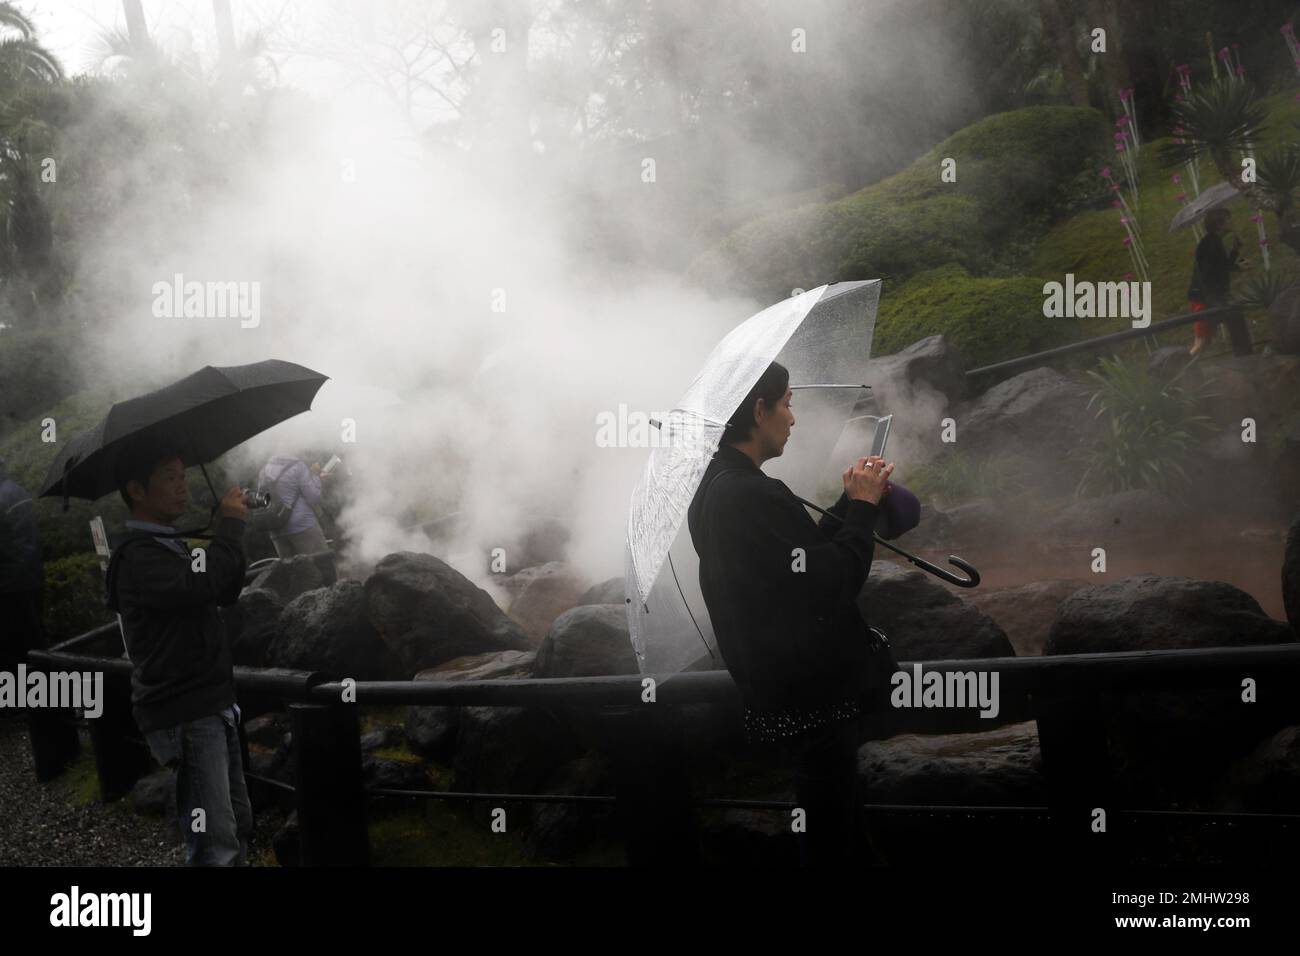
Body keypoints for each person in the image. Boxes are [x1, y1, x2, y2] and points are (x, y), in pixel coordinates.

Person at [686, 361, 918, 867]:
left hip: (783, 697)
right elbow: (832, 582)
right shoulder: (749, 494)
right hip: (812, 700)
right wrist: (859, 511)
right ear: (759, 409)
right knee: (834, 841)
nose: (793, 418)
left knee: (844, 834)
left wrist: (855, 500)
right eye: (788, 403)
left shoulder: (717, 488)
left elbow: (799, 564)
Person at [104, 435, 252, 866]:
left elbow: (222, 591)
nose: (181, 486)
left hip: (211, 702)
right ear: (136, 490)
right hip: (186, 711)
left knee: (236, 824)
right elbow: (198, 585)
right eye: (169, 478)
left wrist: (228, 534)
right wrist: (228, 529)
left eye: (183, 476)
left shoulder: (167, 544)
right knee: (214, 843)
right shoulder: (137, 558)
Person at [0, 459, 45, 682]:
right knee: (36, 641)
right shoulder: (17, 491)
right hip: (32, 575)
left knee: (14, 646)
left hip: (9, 584)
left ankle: (29, 702)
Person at [1188, 206, 1250, 356]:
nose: (1231, 222)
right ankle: (1178, 369)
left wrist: (1235, 251)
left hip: (1209, 297)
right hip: (1205, 298)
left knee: (1205, 340)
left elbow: (1220, 267)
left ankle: (1244, 356)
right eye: (1228, 220)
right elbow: (1209, 273)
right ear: (1219, 225)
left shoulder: (1214, 242)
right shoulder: (1210, 244)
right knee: (1202, 341)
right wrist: (1214, 300)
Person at [257, 454, 330, 558]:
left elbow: (262, 500)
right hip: (303, 527)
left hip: (276, 530)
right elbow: (314, 498)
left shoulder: (264, 471)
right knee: (321, 565)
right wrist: (316, 478)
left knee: (293, 572)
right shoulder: (298, 466)